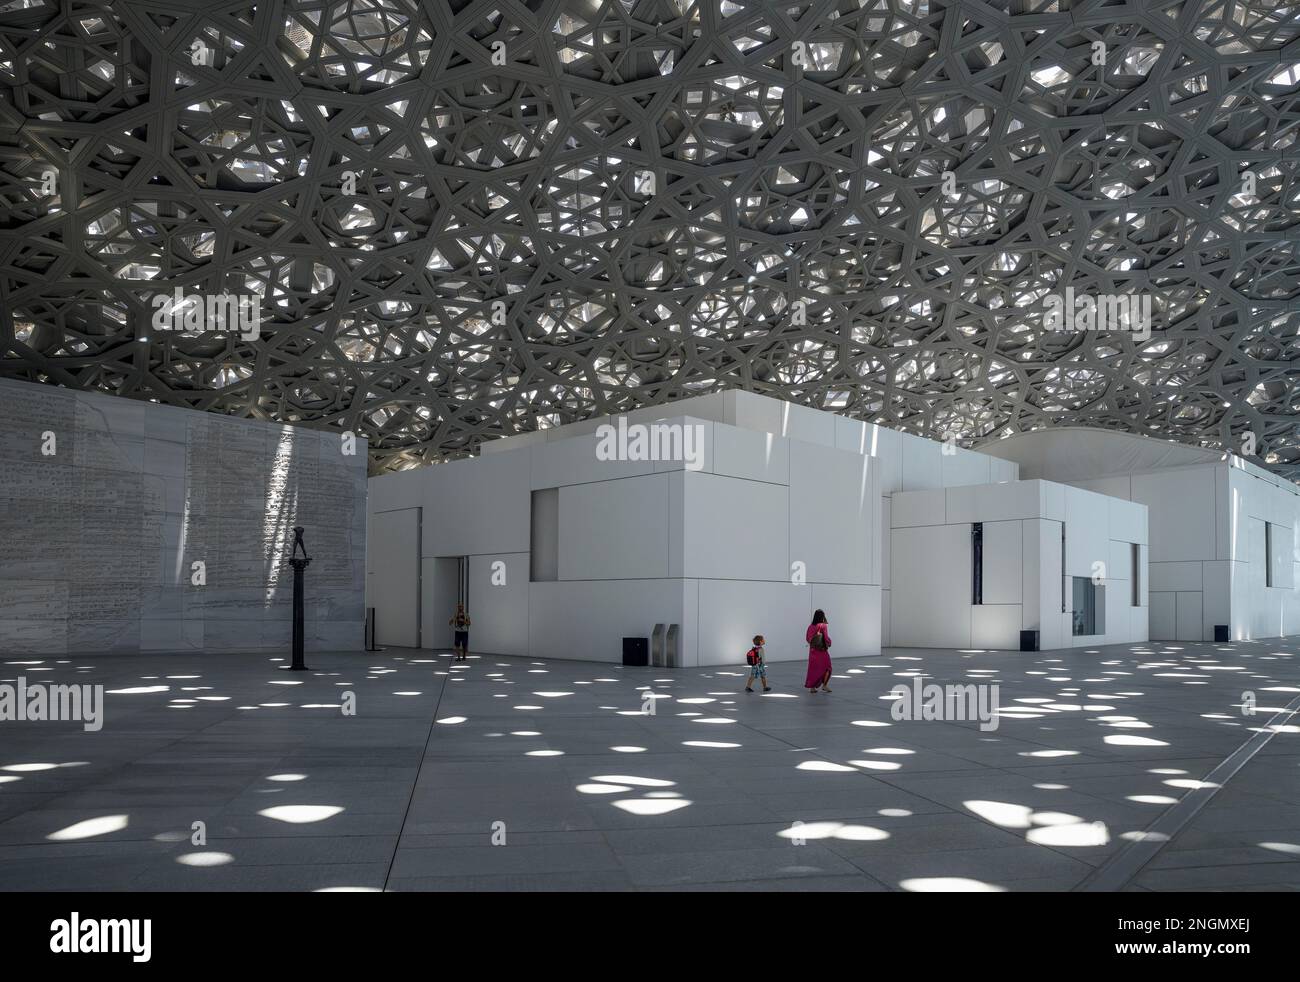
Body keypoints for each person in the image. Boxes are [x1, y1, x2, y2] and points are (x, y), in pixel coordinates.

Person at [804, 609, 832, 693]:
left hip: (813, 651)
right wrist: (829, 642)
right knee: (828, 667)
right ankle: (824, 685)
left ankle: (812, 688)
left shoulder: (810, 626)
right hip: (822, 651)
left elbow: (808, 639)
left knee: (813, 669)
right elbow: (826, 638)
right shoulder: (823, 626)